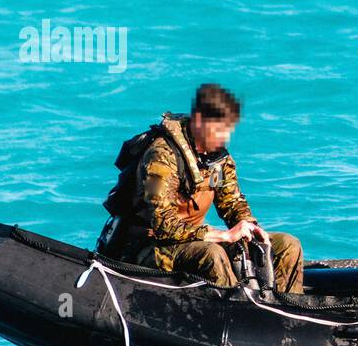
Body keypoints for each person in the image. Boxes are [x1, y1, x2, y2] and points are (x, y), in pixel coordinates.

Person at [100, 83, 303, 292]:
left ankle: (288, 311)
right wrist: (223, 236)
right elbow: (164, 224)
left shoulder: (216, 158)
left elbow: (231, 202)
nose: (224, 138)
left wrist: (248, 225)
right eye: (219, 129)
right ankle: (239, 312)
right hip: (150, 248)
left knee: (287, 245)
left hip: (193, 240)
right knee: (212, 255)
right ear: (198, 122)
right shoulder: (162, 156)